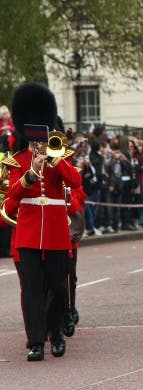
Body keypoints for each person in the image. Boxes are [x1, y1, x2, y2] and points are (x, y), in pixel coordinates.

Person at [3, 83, 82, 361]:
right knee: (32, 289)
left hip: (56, 231)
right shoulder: (17, 161)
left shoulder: (60, 157)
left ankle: (56, 333)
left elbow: (75, 180)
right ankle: (36, 341)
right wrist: (31, 174)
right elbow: (12, 197)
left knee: (58, 286)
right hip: (28, 232)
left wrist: (53, 159)